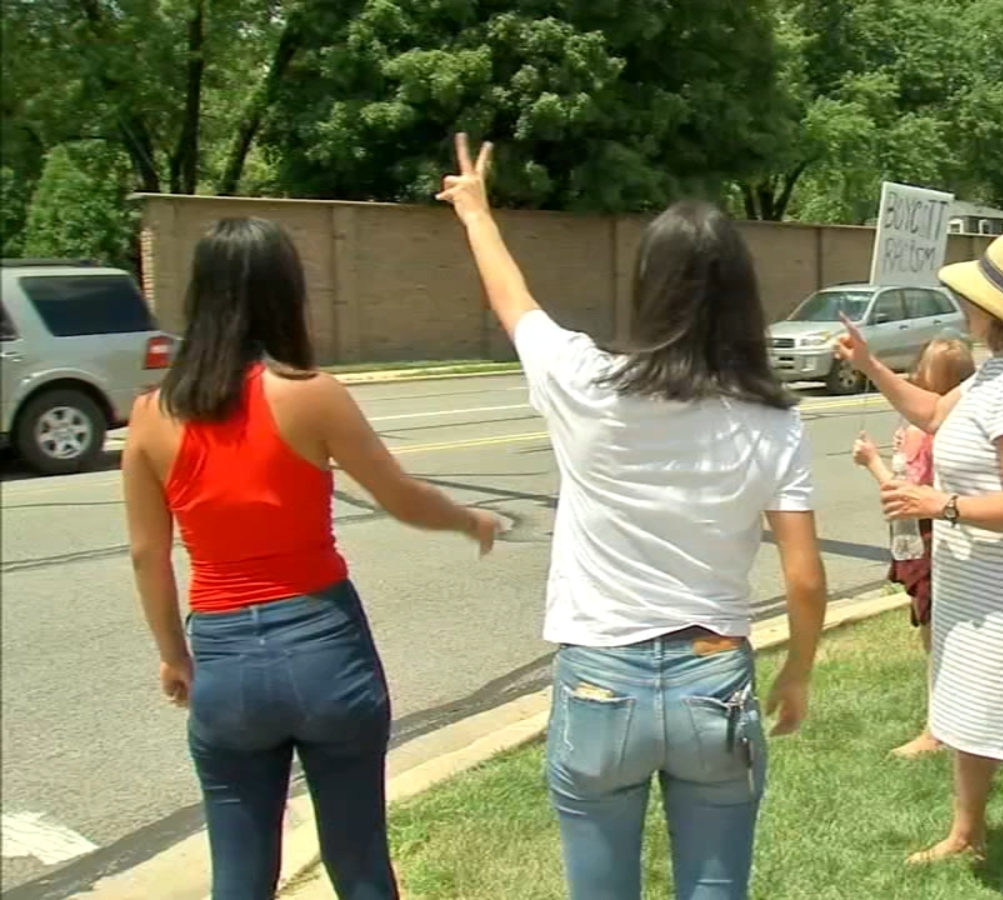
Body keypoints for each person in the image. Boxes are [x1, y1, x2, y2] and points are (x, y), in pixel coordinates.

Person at [436, 135, 827, 900]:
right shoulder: (773, 423)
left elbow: (513, 301)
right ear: (741, 296)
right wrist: (799, 673)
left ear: (646, 287)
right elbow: (806, 580)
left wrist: (476, 211)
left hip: (600, 680)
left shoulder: (584, 381)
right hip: (713, 674)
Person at [121, 217, 499, 900]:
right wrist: (468, 519)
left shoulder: (151, 415)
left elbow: (148, 554)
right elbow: (400, 496)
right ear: (284, 294)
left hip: (225, 660)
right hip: (326, 649)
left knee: (238, 874)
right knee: (358, 867)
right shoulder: (310, 393)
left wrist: (174, 655)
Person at [835, 232, 1003, 900]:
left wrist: (938, 502)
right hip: (977, 573)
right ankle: (966, 831)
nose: (958, 302)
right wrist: (870, 366)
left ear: (992, 310)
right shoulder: (994, 373)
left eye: (969, 295)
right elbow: (934, 412)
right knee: (968, 705)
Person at [850, 337, 976, 758]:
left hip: (929, 535)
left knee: (935, 633)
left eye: (921, 370)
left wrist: (872, 462)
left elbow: (909, 492)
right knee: (936, 630)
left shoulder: (932, 430)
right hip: (924, 533)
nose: (911, 376)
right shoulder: (947, 421)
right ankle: (944, 722)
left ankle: (936, 728)